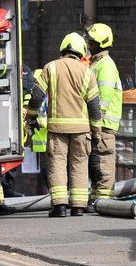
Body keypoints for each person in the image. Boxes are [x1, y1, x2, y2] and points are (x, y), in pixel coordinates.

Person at [26, 33, 102, 217]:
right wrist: (97, 131)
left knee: (57, 164)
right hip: (81, 130)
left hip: (57, 129)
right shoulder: (88, 73)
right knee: (79, 165)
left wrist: (32, 117)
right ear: (81, 52)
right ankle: (78, 207)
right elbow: (94, 106)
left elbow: (36, 95)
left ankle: (59, 206)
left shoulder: (50, 68)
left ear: (63, 49)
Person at [86, 23, 123, 205]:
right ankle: (97, 198)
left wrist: (96, 121)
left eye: (92, 42)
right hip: (99, 123)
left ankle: (104, 200)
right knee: (96, 162)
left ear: (102, 44)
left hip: (104, 124)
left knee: (104, 162)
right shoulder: (97, 63)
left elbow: (104, 97)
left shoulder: (105, 65)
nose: (89, 45)